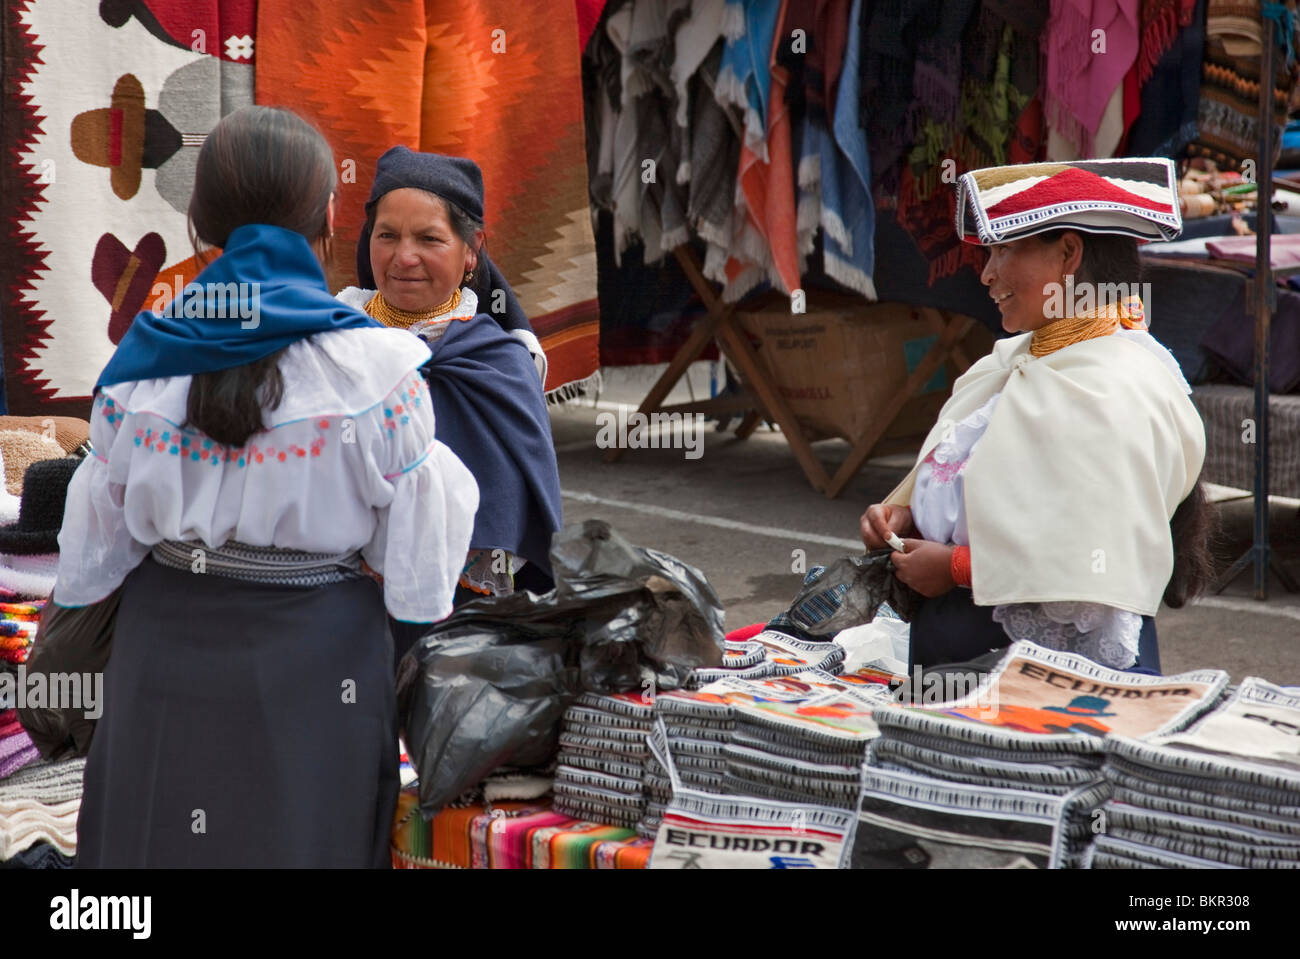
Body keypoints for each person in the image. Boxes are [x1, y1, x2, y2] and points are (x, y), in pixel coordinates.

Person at [53, 106, 479, 867]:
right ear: (329, 215)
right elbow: (418, 579)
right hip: (318, 668)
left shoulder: (138, 363)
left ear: (197, 215)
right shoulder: (377, 372)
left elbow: (94, 563)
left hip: (164, 655)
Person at [860, 158, 1213, 675]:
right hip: (955, 656)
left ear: (1068, 253)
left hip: (1051, 676)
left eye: (1003, 250)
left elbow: (1097, 560)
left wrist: (956, 568)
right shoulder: (1012, 366)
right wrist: (904, 513)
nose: (987, 273)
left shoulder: (1117, 388)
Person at [337, 146, 562, 619]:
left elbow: (517, 504)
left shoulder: (500, 364)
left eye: (429, 239)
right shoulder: (331, 338)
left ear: (471, 250)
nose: (404, 257)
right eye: (387, 235)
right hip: (333, 600)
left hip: (457, 616)